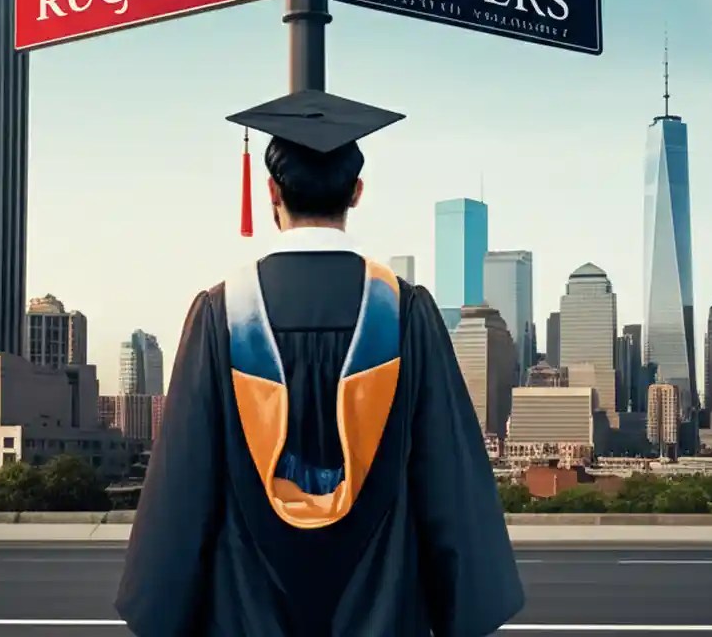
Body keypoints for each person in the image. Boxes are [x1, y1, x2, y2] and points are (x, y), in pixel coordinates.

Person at [115, 89, 524, 636]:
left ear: (271, 192)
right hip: (384, 616)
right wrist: (460, 605)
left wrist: (165, 607)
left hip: (245, 617)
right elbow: (448, 481)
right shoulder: (405, 313)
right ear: (357, 192)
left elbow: (184, 488)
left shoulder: (222, 314)